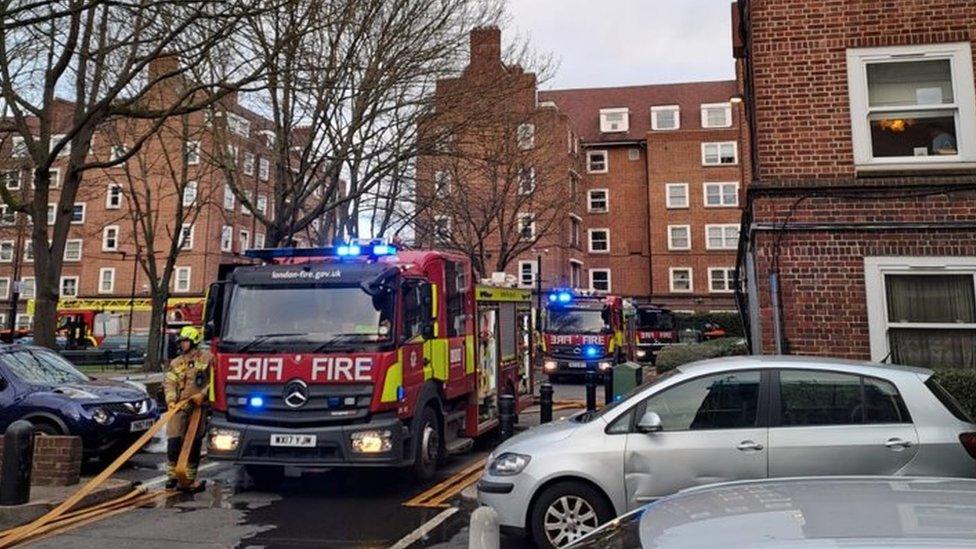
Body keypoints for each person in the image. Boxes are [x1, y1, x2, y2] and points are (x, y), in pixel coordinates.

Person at [163, 326, 213, 491]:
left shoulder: (207, 358)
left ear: (193, 341)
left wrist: (203, 394)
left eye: (185, 341)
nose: (182, 344)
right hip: (180, 406)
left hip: (198, 407)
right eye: (181, 341)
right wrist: (171, 400)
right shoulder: (176, 362)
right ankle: (172, 476)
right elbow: (169, 383)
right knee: (174, 439)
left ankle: (189, 477)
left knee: (194, 442)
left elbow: (214, 381)